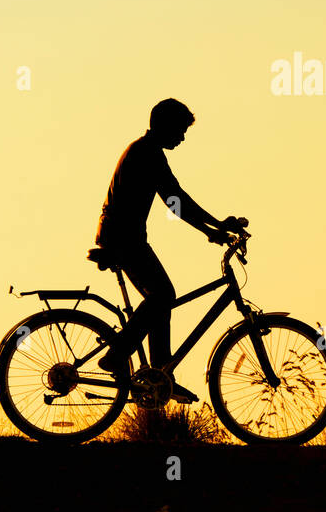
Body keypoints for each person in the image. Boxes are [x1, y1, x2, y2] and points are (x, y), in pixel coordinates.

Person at [93, 98, 243, 403]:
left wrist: (212, 229)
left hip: (126, 236)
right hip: (123, 239)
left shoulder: (147, 150)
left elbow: (175, 200)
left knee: (161, 299)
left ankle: (162, 375)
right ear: (163, 125)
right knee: (163, 296)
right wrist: (212, 228)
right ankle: (117, 355)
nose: (183, 137)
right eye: (180, 130)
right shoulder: (147, 153)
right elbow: (176, 200)